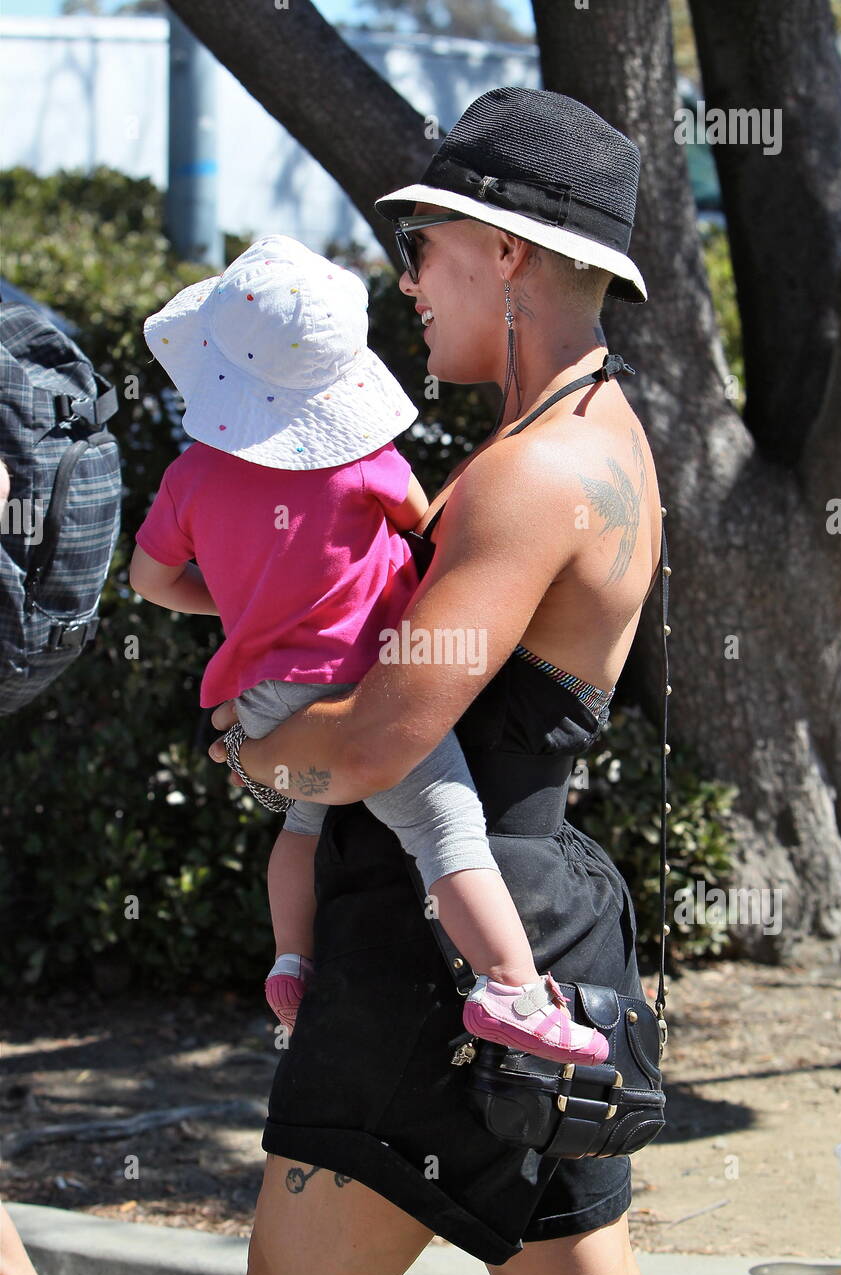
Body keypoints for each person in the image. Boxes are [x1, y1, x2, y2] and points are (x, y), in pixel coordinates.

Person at [209, 87, 660, 1275]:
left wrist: (257, 759)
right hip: (532, 932)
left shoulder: (531, 475)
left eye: (424, 249)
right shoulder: (600, 439)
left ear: (505, 254)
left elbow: (373, 744)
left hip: (427, 958)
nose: (407, 284)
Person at [130, 235, 609, 1066]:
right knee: (446, 829)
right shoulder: (364, 464)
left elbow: (149, 579)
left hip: (268, 688)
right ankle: (510, 988)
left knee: (303, 825)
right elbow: (427, 531)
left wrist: (236, 606)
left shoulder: (193, 478)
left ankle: (290, 957)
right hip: (364, 680)